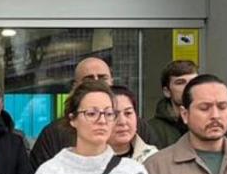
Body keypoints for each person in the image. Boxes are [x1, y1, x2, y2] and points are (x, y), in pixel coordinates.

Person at [31, 58, 159, 166]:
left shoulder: (137, 127)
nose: (97, 83)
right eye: (89, 79)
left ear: (112, 82)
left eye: (103, 78)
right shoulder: (55, 133)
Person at [145, 59, 198, 150]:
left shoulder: (213, 121)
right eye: (180, 82)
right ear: (167, 92)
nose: (189, 87)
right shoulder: (151, 130)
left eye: (194, 82)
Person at [109, 86, 159, 164]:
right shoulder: (87, 159)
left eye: (128, 113)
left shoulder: (153, 157)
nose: (122, 122)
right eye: (113, 114)